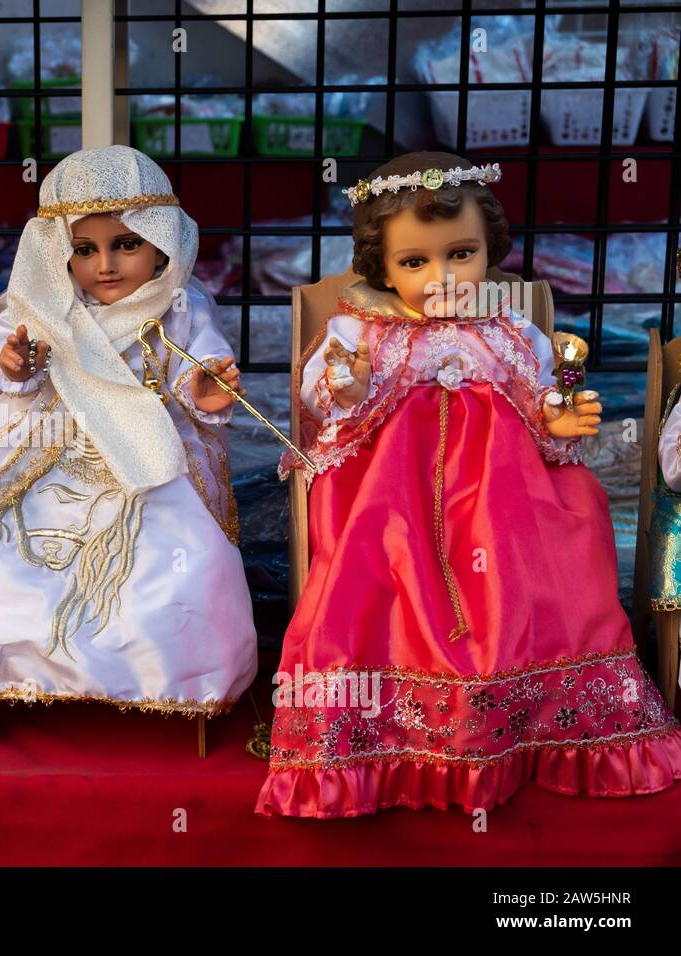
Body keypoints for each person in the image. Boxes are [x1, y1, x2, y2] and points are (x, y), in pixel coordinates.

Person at [259, 150, 681, 817]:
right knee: (379, 559)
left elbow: (543, 397)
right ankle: (385, 732)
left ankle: (531, 717)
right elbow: (325, 404)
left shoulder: (510, 331)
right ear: (381, 265)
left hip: (506, 493)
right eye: (414, 262)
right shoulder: (359, 329)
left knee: (569, 524)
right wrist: (350, 382)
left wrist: (560, 415)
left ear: (491, 250)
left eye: (461, 254)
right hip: (388, 489)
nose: (442, 277)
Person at [0, 145, 258, 721]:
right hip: (48, 451)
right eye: (84, 250)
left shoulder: (179, 307)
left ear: (160, 241)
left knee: (176, 561)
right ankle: (18, 670)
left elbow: (198, 365)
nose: (105, 265)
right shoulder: (38, 306)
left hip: (148, 455)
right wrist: (16, 364)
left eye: (126, 245)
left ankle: (173, 679)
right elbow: (3, 363)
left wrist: (203, 389)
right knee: (3, 551)